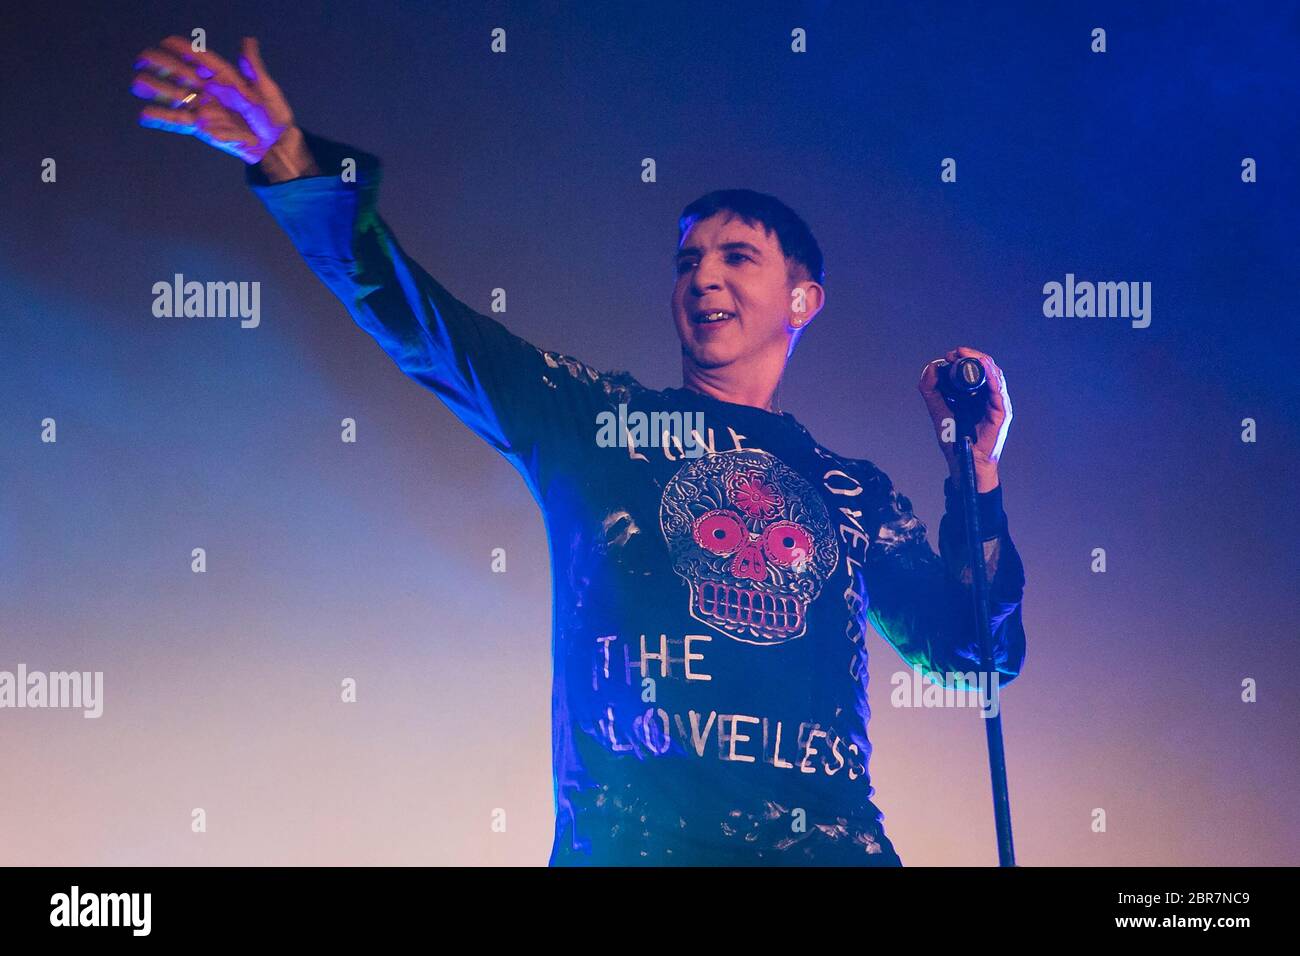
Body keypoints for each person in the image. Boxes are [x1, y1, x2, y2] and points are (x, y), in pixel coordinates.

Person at [130, 36, 1027, 866]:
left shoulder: (848, 491)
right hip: (636, 845)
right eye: (687, 261)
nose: (703, 276)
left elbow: (976, 658)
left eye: (738, 257)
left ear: (803, 301)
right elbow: (423, 325)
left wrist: (977, 471)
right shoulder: (594, 421)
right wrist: (292, 161)